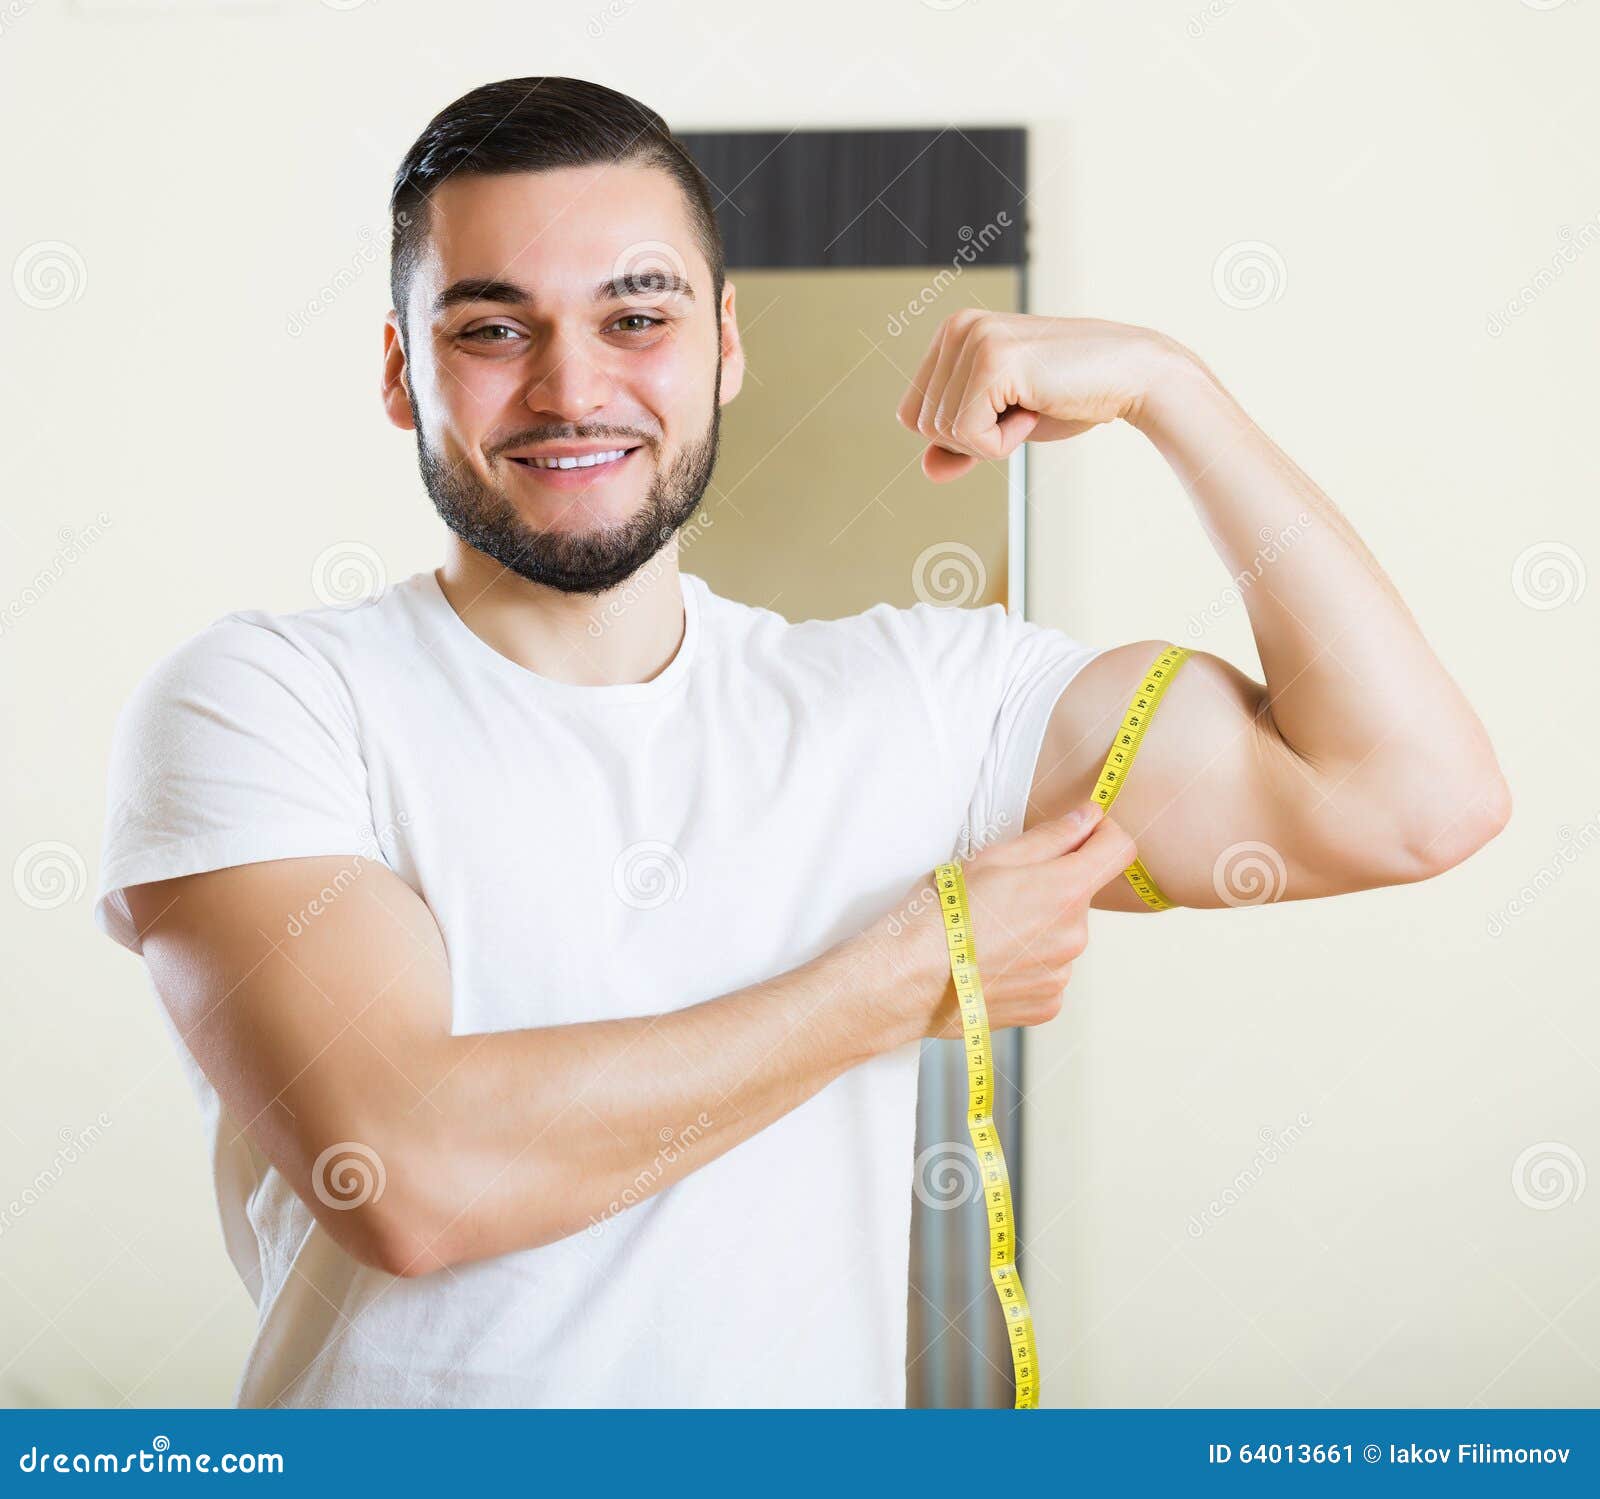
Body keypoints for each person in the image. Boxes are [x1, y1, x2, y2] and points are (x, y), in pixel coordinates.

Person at [93, 76, 1511, 1409]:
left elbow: (1404, 801)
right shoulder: (263, 701)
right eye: (491, 327)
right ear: (403, 373)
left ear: (728, 344)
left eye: (637, 318)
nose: (570, 387)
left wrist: (1172, 389)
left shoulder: (921, 700)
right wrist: (913, 966)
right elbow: (408, 1176)